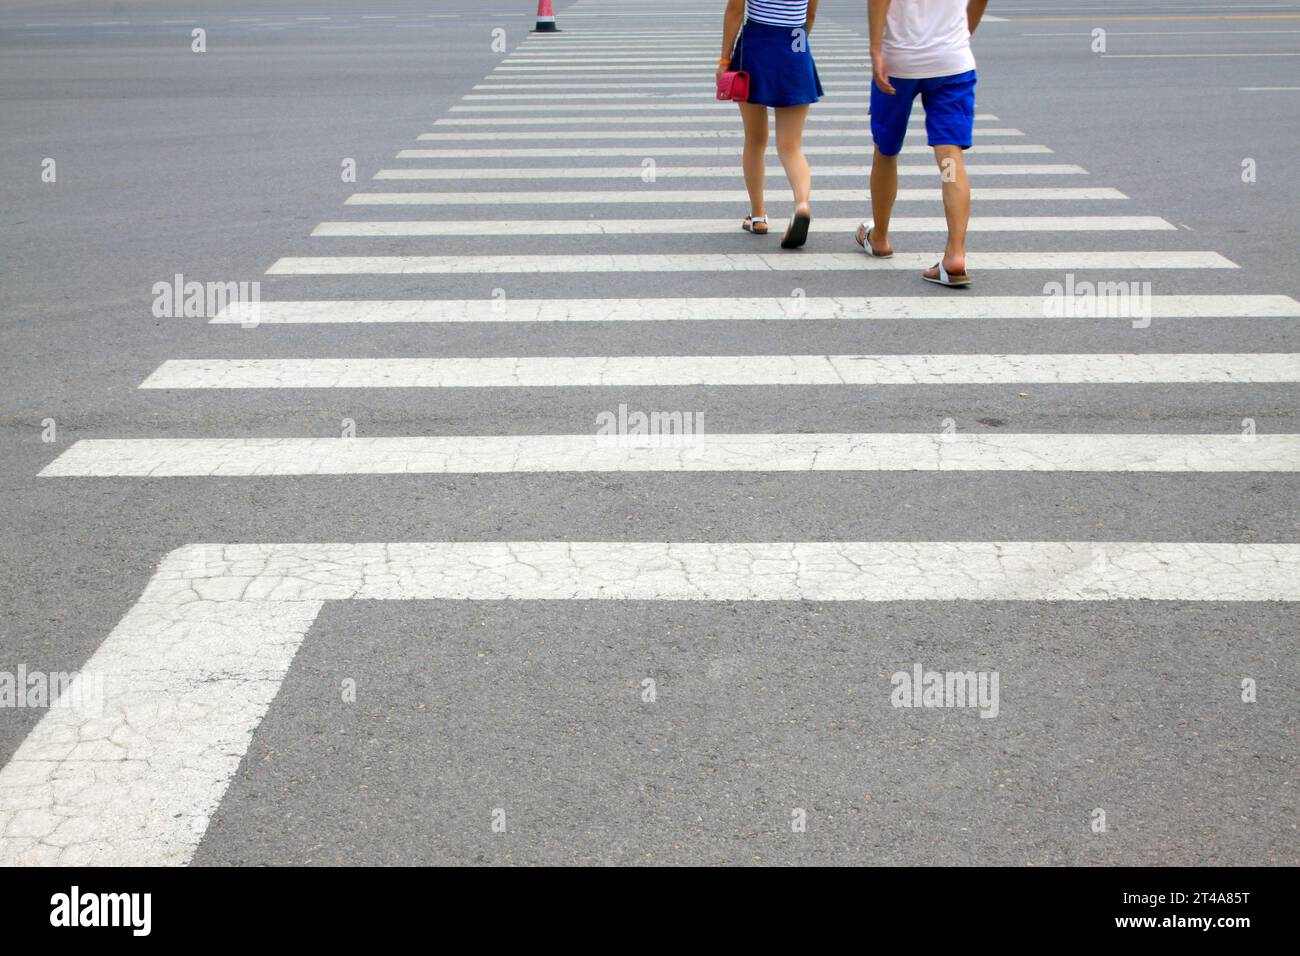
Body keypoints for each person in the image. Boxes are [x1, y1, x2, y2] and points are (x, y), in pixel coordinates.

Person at [857, 0, 990, 286]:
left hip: (898, 62)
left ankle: (879, 237)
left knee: (886, 150)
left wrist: (875, 49)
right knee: (949, 155)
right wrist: (962, 35)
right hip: (952, 61)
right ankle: (955, 253)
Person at [718, 0, 822, 248]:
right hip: (795, 49)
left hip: (757, 47)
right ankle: (801, 204)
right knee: (791, 146)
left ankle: (757, 216)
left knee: (755, 139)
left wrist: (724, 61)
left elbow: (735, 9)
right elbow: (811, 13)